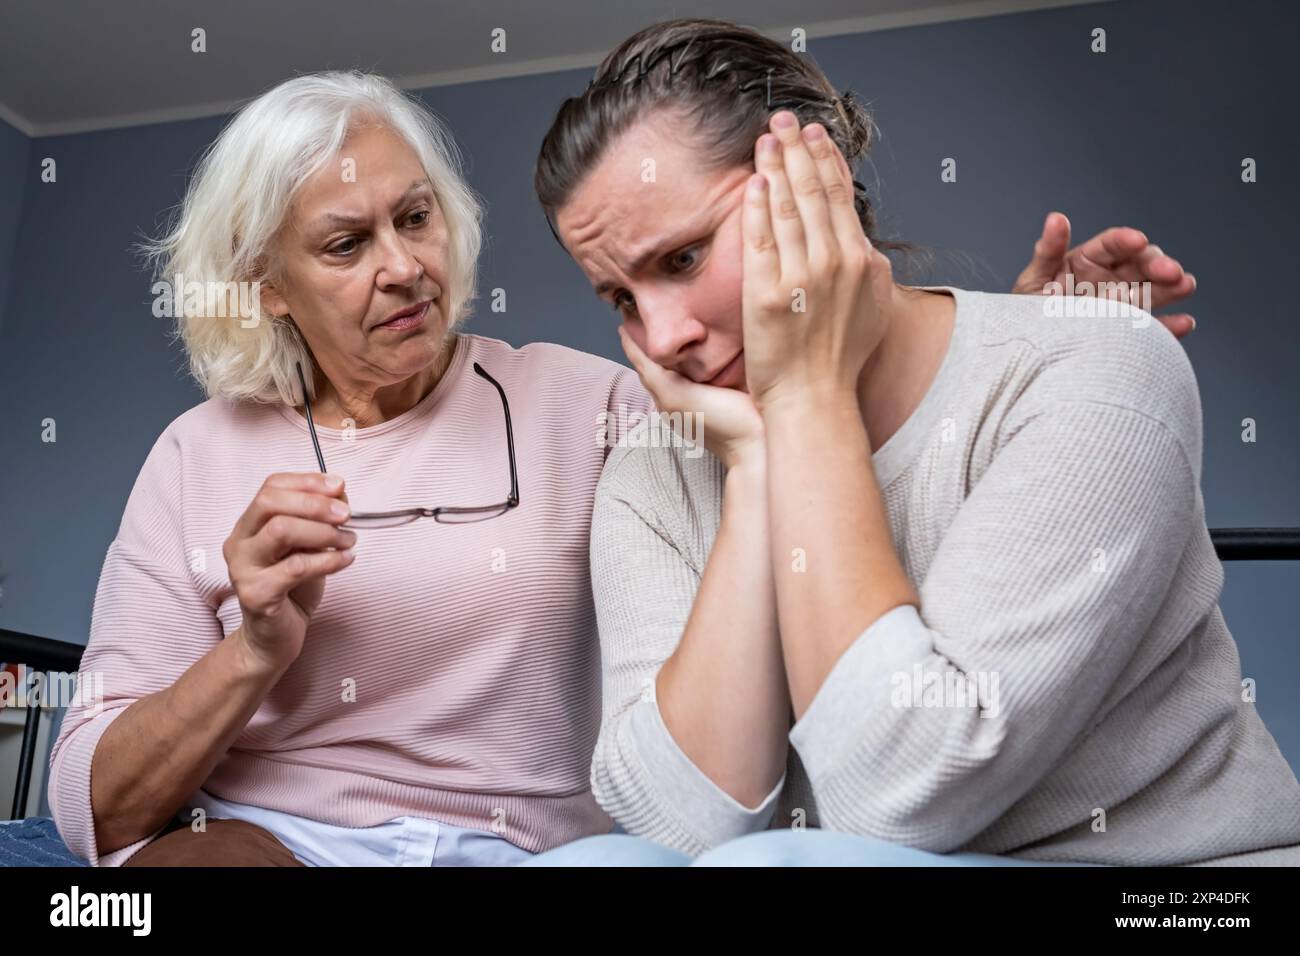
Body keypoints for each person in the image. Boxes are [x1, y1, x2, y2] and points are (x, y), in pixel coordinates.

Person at [526, 18, 1300, 866]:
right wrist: (755, 471)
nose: (662, 335)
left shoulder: (1096, 361)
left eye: (681, 259)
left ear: (818, 184)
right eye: (620, 299)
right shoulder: (652, 469)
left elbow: (905, 795)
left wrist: (810, 400)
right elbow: (675, 828)